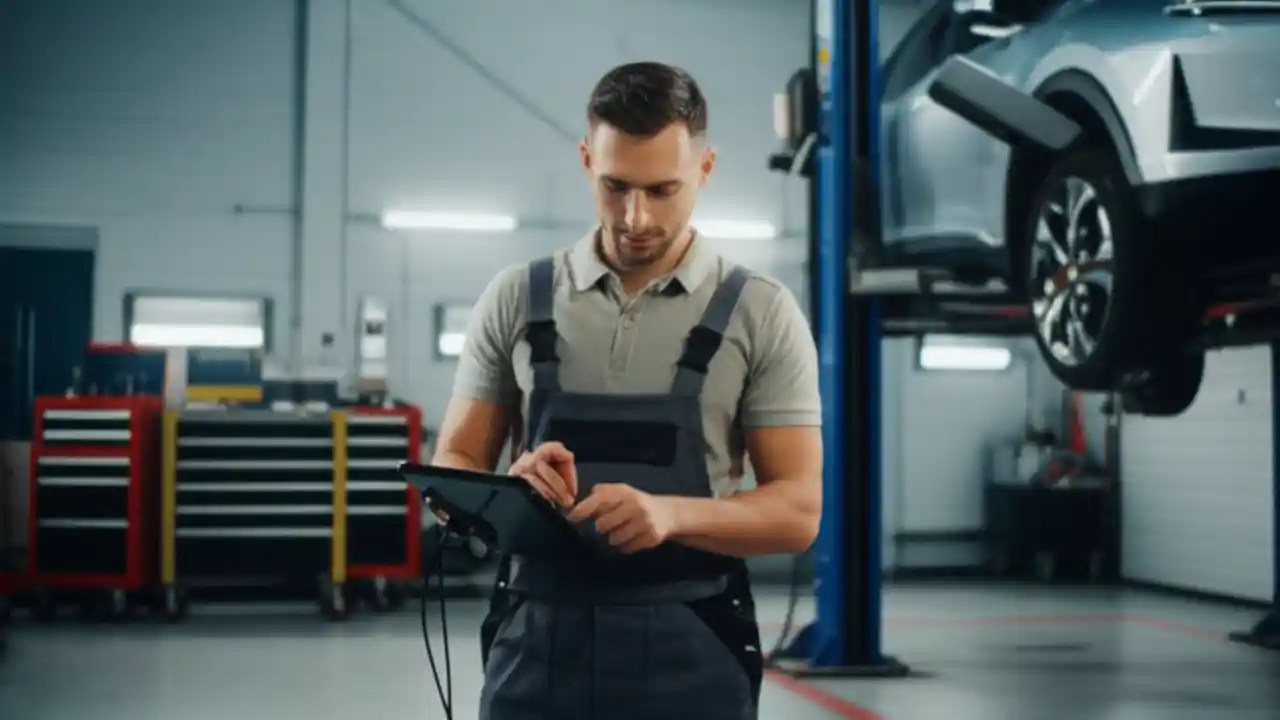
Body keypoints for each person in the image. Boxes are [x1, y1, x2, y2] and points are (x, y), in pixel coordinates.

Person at [431, 61, 823, 720]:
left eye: (663, 189)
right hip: (536, 645)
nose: (635, 216)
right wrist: (507, 495)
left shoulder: (761, 312)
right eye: (615, 186)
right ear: (587, 160)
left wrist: (673, 515)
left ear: (705, 169)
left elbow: (797, 511)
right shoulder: (516, 299)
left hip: (692, 646)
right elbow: (452, 470)